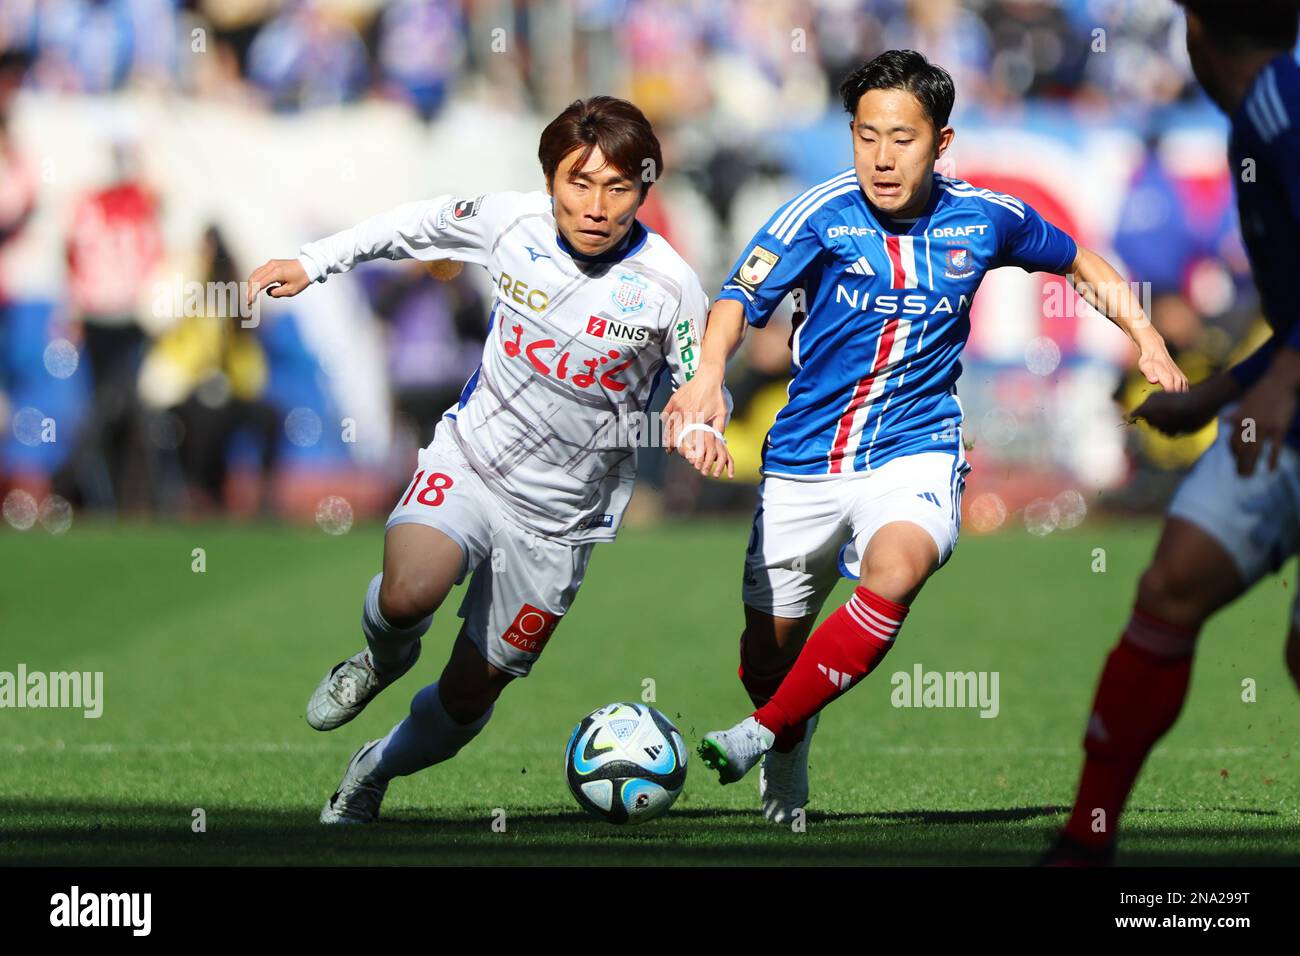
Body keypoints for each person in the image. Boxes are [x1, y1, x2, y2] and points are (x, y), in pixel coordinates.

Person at [662, 49, 1187, 824]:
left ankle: (757, 735)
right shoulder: (820, 215)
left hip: (917, 448)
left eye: (901, 137)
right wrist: (707, 373)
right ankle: (785, 736)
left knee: (898, 567)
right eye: (865, 135)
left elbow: (1077, 260)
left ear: (940, 142)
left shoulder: (985, 218)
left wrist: (1145, 335)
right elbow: (740, 295)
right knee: (769, 652)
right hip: (805, 460)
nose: (880, 156)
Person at [246, 96, 726, 823]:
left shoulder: (669, 286)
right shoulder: (510, 223)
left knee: (471, 694)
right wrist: (315, 261)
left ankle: (373, 767)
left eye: (618, 187)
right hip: (471, 464)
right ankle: (380, 657)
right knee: (409, 592)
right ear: (549, 181)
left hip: (561, 524)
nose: (596, 205)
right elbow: (413, 225)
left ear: (643, 191)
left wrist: (698, 428)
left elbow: (696, 381)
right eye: (578, 182)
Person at [1045, 0, 1300, 865]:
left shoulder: (1280, 108)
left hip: (1292, 405)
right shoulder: (1257, 115)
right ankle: (1086, 843)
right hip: (1284, 406)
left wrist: (1282, 382)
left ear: (1195, 30)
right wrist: (1220, 393)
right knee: (1170, 590)